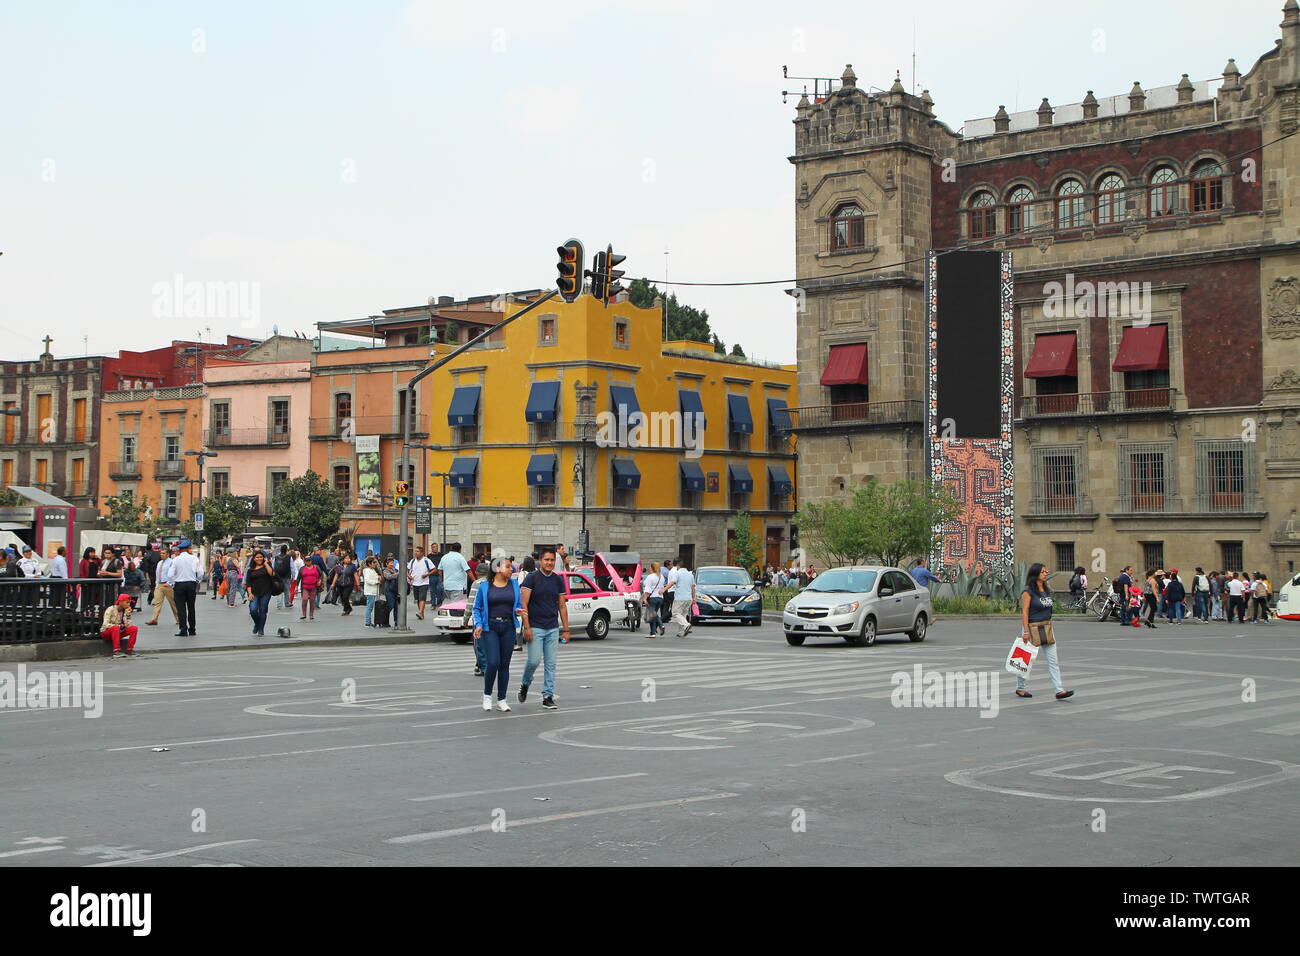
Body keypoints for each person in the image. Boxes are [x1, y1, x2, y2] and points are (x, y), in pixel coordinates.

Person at [471, 557, 525, 712]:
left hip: (508, 626)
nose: (511, 569)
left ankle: (502, 699)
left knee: (504, 665)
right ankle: (487, 696)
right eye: (508, 567)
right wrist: (479, 625)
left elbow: (518, 605)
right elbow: (477, 608)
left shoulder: (514, 585)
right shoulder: (485, 586)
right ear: (497, 568)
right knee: (493, 662)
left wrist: (518, 610)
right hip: (490, 627)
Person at [1015, 562, 1073, 700]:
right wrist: (1026, 632)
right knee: (1026, 659)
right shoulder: (1027, 591)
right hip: (1031, 627)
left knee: (1053, 660)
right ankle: (1021, 688)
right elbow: (1024, 612)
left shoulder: (1046, 589)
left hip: (1046, 627)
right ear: (1036, 574)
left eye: (1046, 571)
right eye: (1043, 572)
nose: (1046, 573)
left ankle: (1059, 690)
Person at [519, 547, 567, 710]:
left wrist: (566, 629)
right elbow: (523, 604)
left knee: (551, 663)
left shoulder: (558, 580)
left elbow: (562, 605)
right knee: (533, 661)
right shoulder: (532, 579)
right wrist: (527, 627)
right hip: (535, 627)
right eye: (546, 560)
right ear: (540, 560)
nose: (549, 563)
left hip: (552, 627)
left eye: (552, 560)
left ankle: (548, 695)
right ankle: (525, 683)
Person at [170, 540, 201, 637]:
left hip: (179, 585)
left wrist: (172, 583)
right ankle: (192, 629)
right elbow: (200, 572)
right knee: (191, 607)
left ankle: (183, 629)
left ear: (180, 550)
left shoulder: (176, 560)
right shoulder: (194, 559)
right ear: (188, 549)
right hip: (191, 584)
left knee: (181, 608)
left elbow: (170, 574)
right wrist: (197, 580)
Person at [244, 550, 275, 637]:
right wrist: (250, 594)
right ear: (253, 559)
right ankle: (257, 624)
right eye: (257, 557)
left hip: (266, 591)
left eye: (261, 557)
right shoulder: (250, 570)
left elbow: (272, 574)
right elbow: (248, 583)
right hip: (254, 592)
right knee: (253, 610)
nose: (259, 559)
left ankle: (261, 629)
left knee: (263, 610)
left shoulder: (267, 566)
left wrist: (266, 563)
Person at [664, 559, 696, 638]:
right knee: (683, 615)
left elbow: (672, 582)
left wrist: (664, 589)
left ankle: (686, 625)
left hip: (680, 597)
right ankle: (681, 632)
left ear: (678, 565)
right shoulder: (690, 574)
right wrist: (693, 598)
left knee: (675, 613)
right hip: (688, 598)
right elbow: (693, 587)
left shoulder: (677, 573)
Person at [148, 546, 178, 627]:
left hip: (168, 585)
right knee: (157, 602)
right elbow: (158, 574)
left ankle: (179, 619)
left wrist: (170, 583)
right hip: (160, 584)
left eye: (163, 553)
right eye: (161, 553)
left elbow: (174, 574)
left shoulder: (172, 562)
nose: (161, 554)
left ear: (168, 554)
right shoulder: (159, 563)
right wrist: (157, 583)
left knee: (173, 603)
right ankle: (154, 619)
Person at [101, 594, 139, 658]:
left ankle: (129, 650)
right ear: (121, 602)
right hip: (107, 632)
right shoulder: (111, 609)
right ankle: (116, 651)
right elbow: (105, 624)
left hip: (118, 632)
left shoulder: (124, 611)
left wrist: (128, 614)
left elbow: (128, 625)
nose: (129, 604)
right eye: (127, 602)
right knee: (116, 628)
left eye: (129, 603)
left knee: (134, 628)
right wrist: (118, 626)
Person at [407, 546, 436, 620]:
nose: (416, 553)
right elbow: (406, 569)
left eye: (417, 551)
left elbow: (434, 569)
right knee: (417, 599)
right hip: (415, 582)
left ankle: (420, 612)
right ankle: (421, 613)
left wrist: (426, 575)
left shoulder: (426, 560)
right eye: (415, 551)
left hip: (424, 582)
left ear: (422, 553)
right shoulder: (413, 561)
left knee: (422, 598)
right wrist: (409, 576)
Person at [642, 561, 664, 638]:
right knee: (653, 614)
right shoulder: (661, 577)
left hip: (652, 598)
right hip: (660, 598)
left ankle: (660, 626)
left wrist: (644, 599)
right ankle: (653, 632)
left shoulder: (650, 577)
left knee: (652, 615)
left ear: (652, 568)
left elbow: (647, 589)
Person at [361, 556, 382, 627]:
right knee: (369, 607)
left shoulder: (373, 570)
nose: (375, 564)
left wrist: (378, 578)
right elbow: (367, 580)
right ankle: (367, 622)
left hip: (374, 591)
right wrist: (376, 581)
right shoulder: (366, 570)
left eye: (375, 562)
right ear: (369, 564)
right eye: (374, 562)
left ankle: (369, 622)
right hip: (370, 591)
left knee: (370, 607)